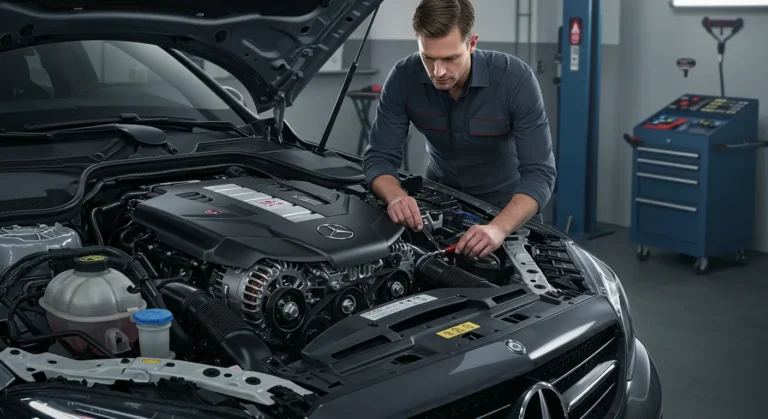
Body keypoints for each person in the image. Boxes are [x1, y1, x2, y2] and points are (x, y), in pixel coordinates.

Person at [362, 0, 557, 259]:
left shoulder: (515, 80)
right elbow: (379, 156)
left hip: (507, 213)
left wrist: (498, 227)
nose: (438, 71)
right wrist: (396, 196)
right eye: (428, 58)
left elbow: (540, 173)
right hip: (439, 205)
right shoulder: (403, 78)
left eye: (450, 58)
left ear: (472, 43)